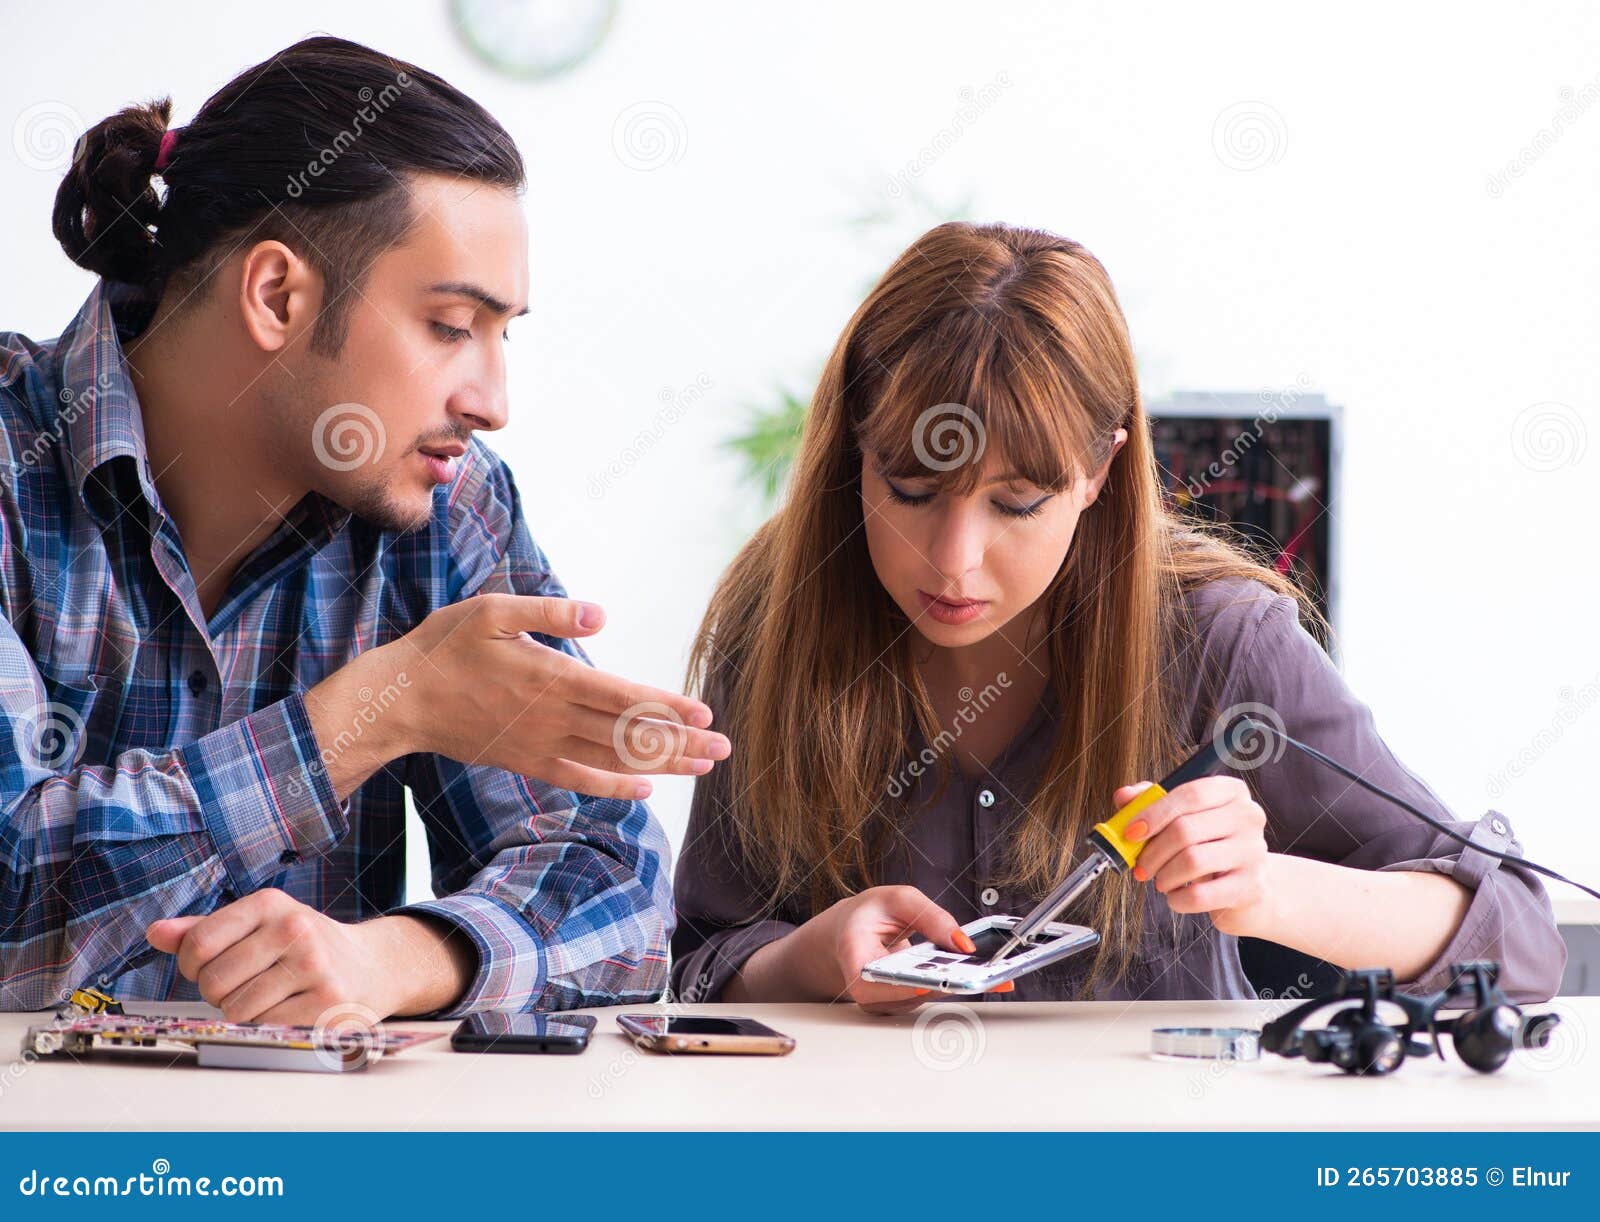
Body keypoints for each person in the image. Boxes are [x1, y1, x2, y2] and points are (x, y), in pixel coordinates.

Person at [0, 36, 730, 1021]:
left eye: (500, 333)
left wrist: (400, 959)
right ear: (277, 295)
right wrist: (371, 716)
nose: (491, 401)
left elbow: (617, 884)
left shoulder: (443, 504)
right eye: (450, 326)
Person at [670, 221, 1565, 1013]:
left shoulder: (1220, 640)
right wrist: (811, 959)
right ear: (853, 451)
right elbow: (700, 963)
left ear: (1099, 470)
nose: (954, 559)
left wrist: (1267, 890)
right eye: (909, 490)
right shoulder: (774, 621)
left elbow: (1522, 941)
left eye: (1017, 503)